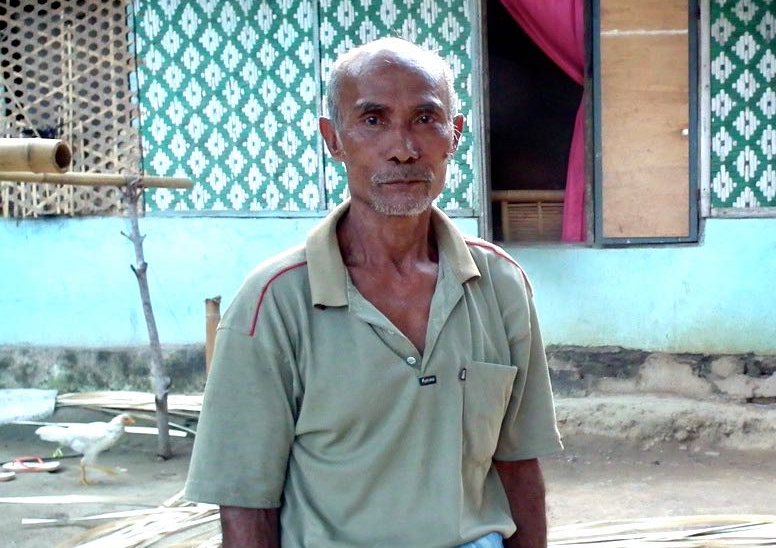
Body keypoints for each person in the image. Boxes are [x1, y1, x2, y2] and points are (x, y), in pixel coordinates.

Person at [184, 37, 562, 548]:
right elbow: (247, 506)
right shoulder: (275, 302)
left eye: (425, 119)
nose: (403, 148)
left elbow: (519, 468)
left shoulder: (500, 285)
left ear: (454, 134)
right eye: (373, 120)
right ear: (333, 139)